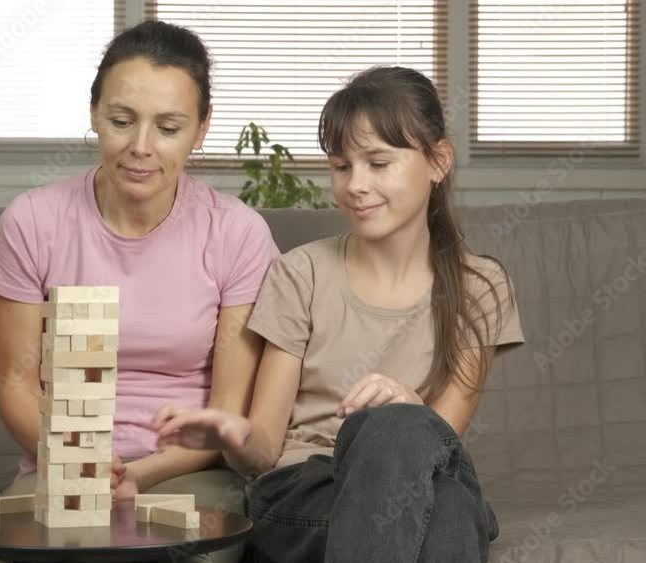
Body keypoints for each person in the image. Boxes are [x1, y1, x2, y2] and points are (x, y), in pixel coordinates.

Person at [152, 66, 525, 563]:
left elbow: (444, 435)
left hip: (425, 480)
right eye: (341, 166)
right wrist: (232, 435)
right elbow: (263, 451)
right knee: (449, 510)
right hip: (305, 488)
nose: (355, 185)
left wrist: (408, 408)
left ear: (438, 161)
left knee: (402, 437)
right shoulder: (300, 274)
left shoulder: (481, 286)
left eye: (378, 162)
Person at [0, 20, 279, 563]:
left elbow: (228, 410)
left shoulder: (236, 233)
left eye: (168, 127)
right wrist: (77, 467)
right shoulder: (32, 221)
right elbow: (17, 383)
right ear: (94, 113)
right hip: (59, 467)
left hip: (185, 473)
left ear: (201, 130)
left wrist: (135, 473)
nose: (140, 148)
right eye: (121, 121)